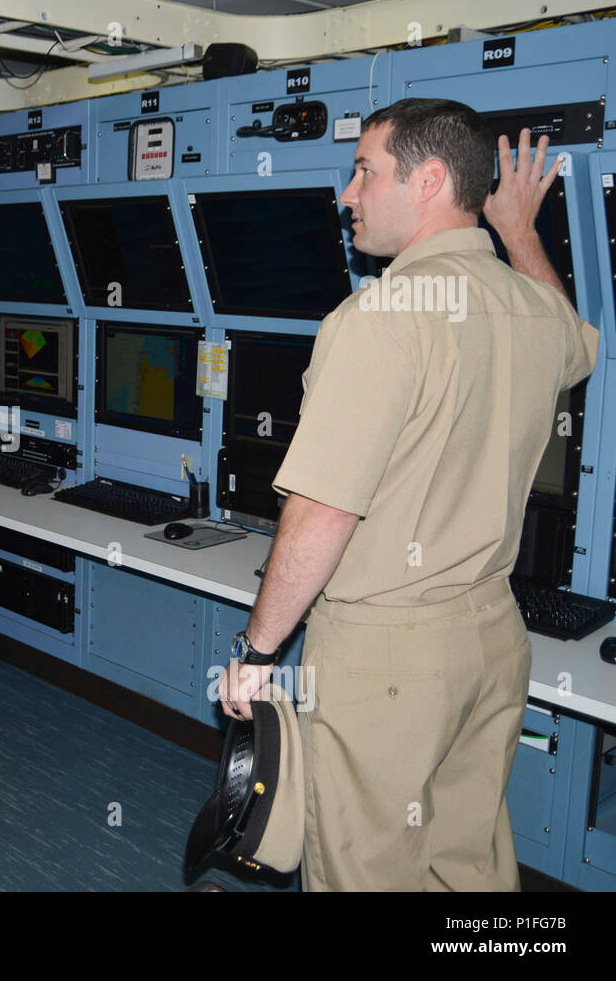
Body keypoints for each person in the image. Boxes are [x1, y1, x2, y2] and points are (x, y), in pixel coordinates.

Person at [217, 100, 599, 891]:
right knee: (466, 861)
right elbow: (571, 342)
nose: (347, 194)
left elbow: (325, 508)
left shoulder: (377, 319)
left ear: (428, 181)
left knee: (365, 868)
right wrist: (519, 232)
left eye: (365, 170)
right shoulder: (525, 308)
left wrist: (256, 653)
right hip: (492, 636)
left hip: (386, 656)